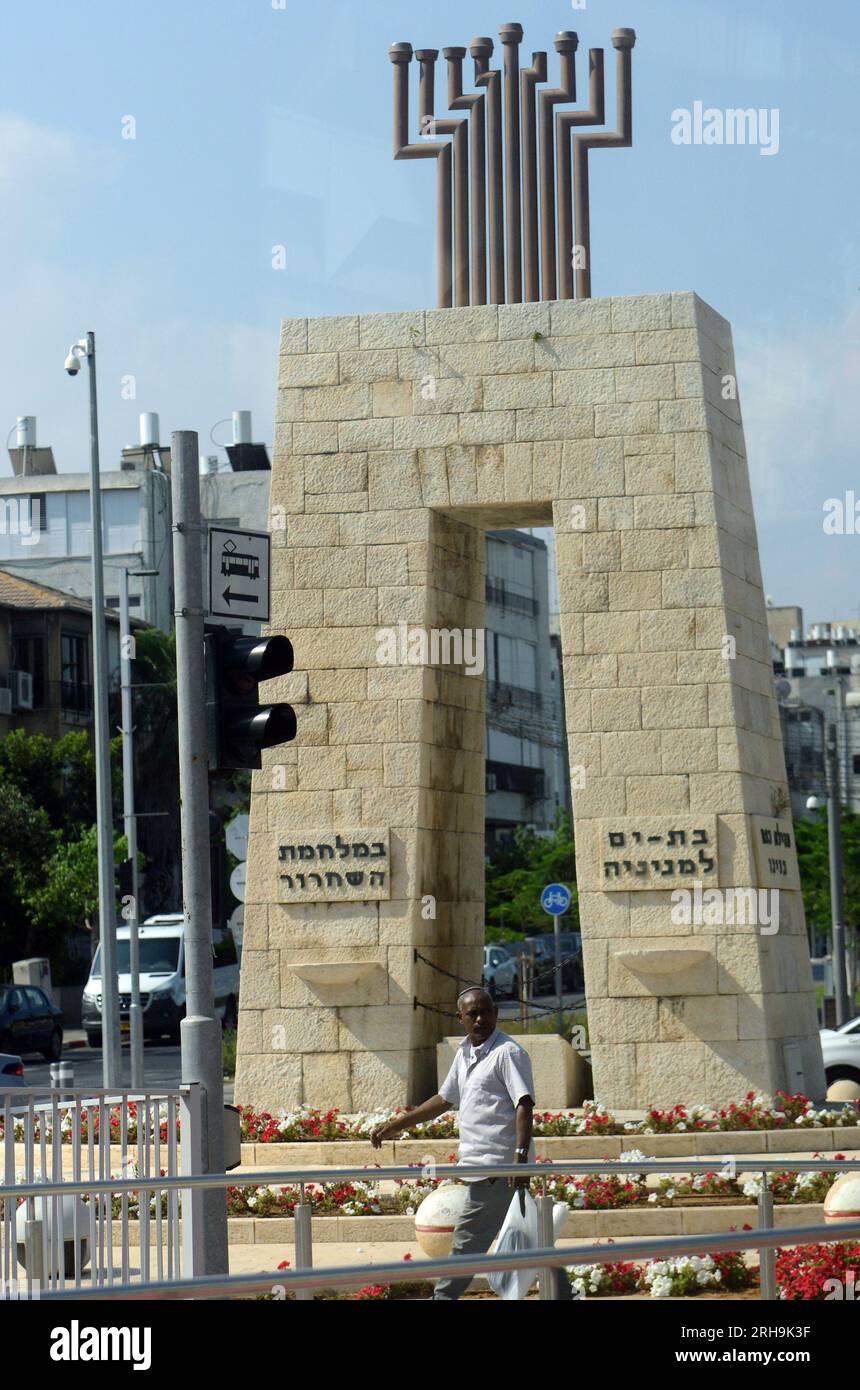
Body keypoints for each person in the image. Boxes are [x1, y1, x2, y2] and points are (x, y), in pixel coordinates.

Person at [371, 985, 572, 1301]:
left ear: (495, 1013)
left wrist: (520, 1158)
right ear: (460, 1018)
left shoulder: (508, 1053)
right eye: (472, 1013)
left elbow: (524, 1104)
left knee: (467, 1241)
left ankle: (443, 1298)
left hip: (498, 1166)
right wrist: (396, 1125)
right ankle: (564, 1293)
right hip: (481, 1165)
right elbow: (443, 1099)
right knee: (530, 1236)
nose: (480, 1019)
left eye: (486, 1011)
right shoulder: (464, 1053)